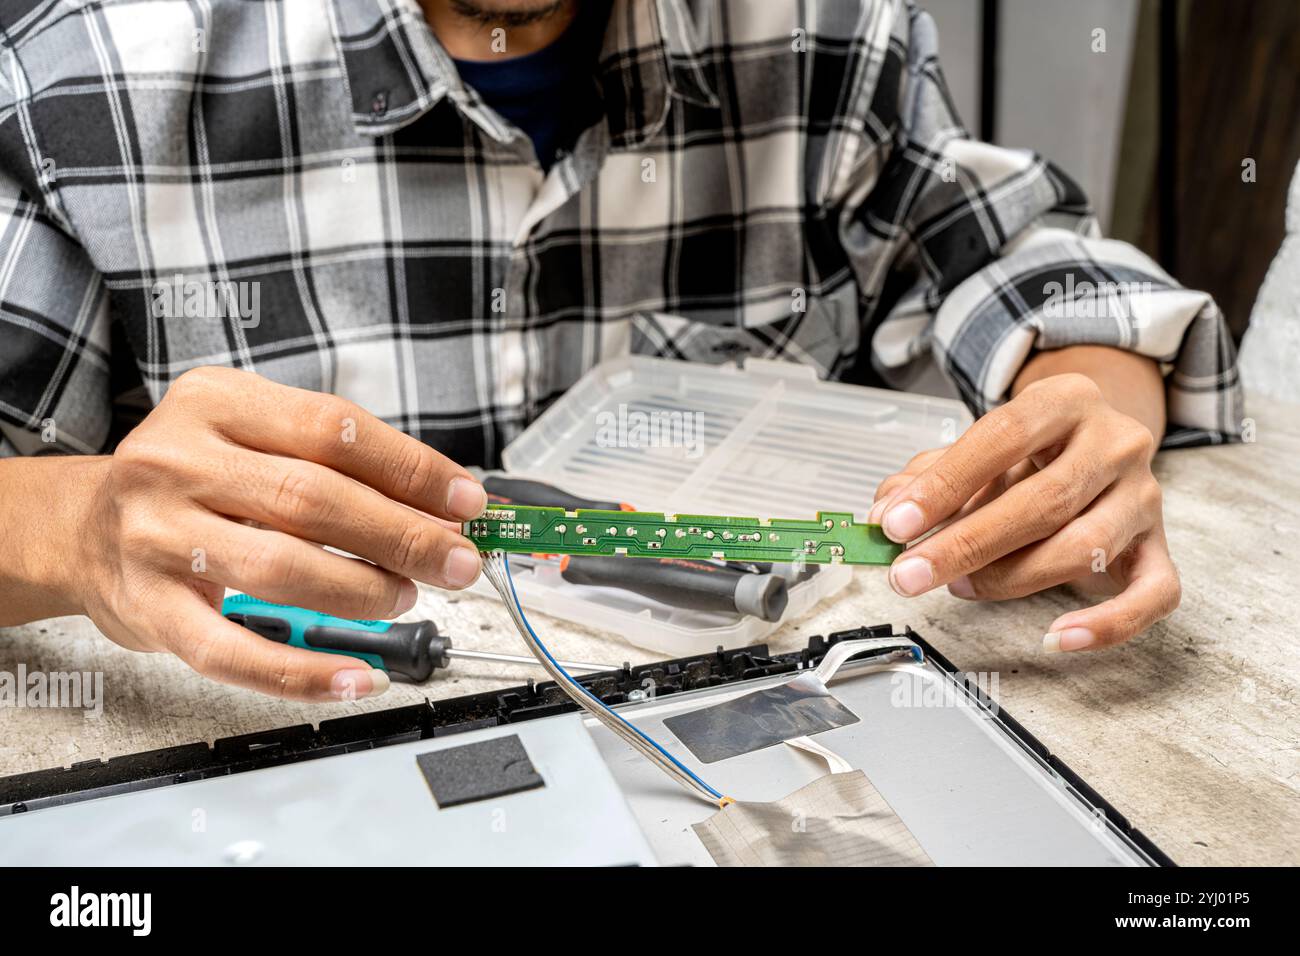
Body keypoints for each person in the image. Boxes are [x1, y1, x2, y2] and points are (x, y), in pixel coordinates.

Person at [0, 0, 1243, 699]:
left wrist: (1083, 402)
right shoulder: (84, 82)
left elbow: (1020, 252)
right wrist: (79, 527)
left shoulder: (827, 35)